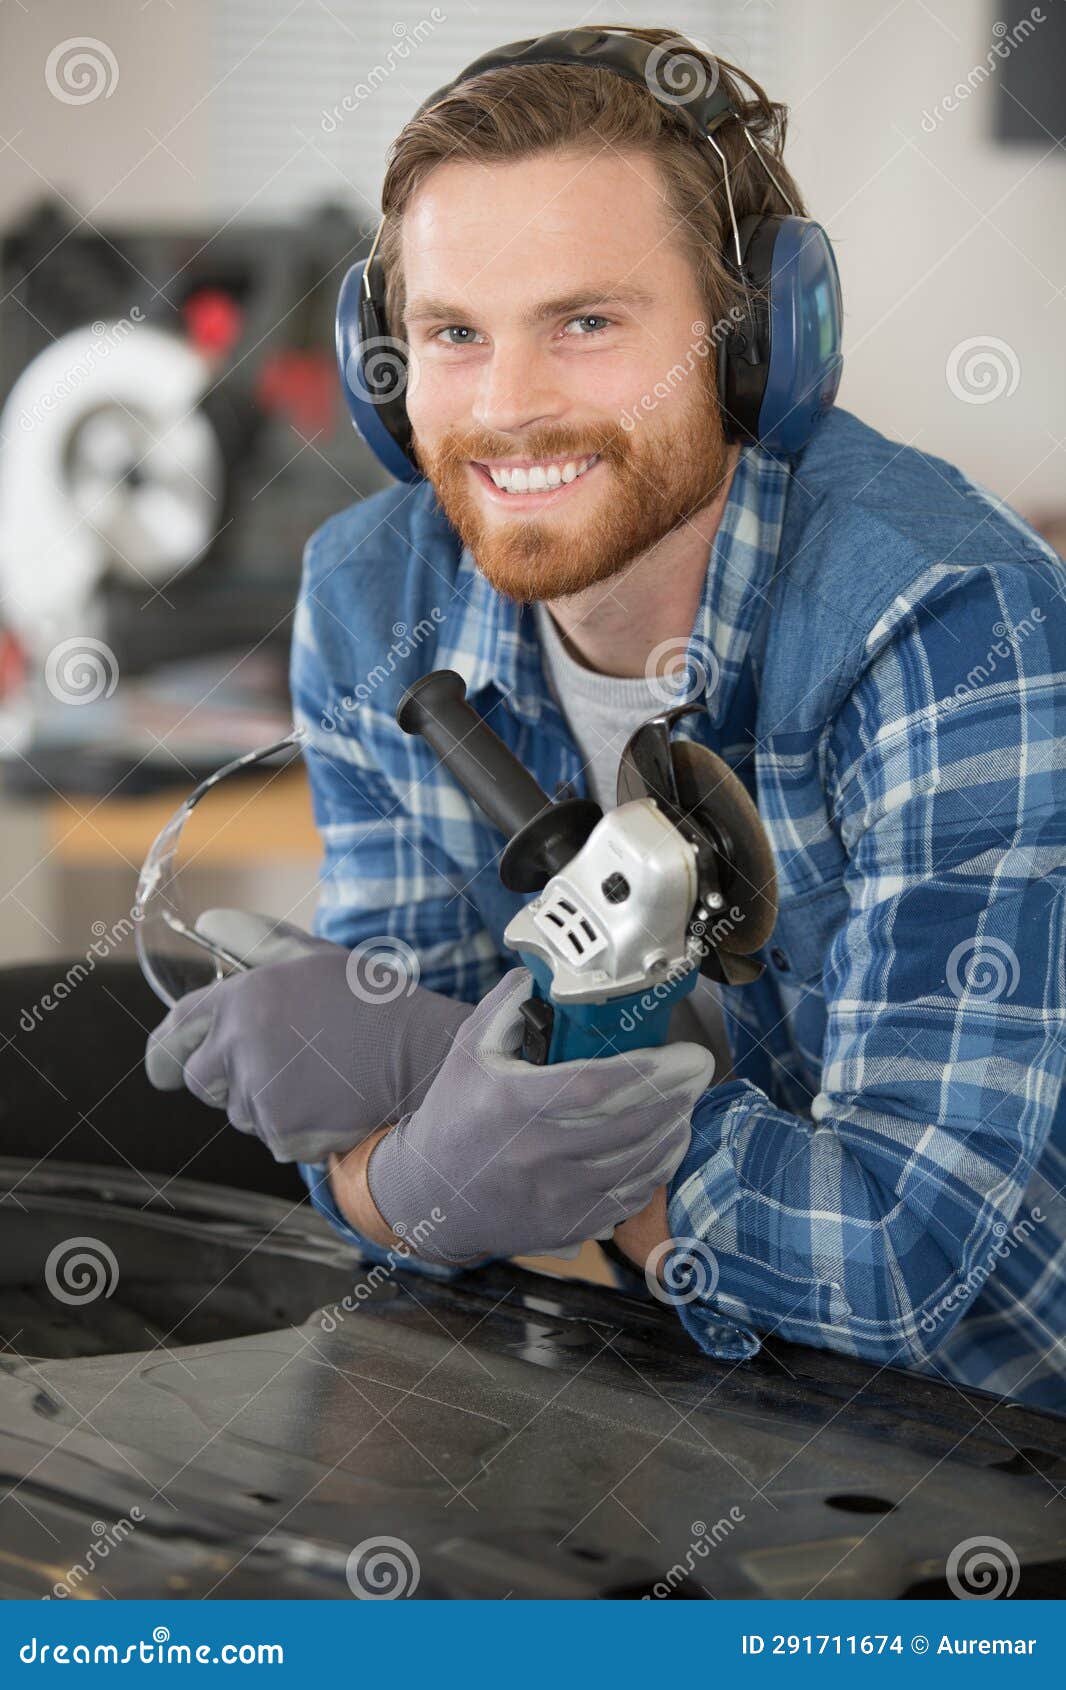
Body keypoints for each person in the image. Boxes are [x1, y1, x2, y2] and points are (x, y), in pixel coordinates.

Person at [146, 29, 1066, 1412]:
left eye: (585, 322)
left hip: (984, 1465)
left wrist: (477, 1090)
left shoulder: (946, 617)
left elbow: (919, 1265)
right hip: (643, 1404)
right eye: (453, 333)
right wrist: (415, 1177)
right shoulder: (370, 596)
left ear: (756, 344)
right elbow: (384, 1195)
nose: (507, 408)